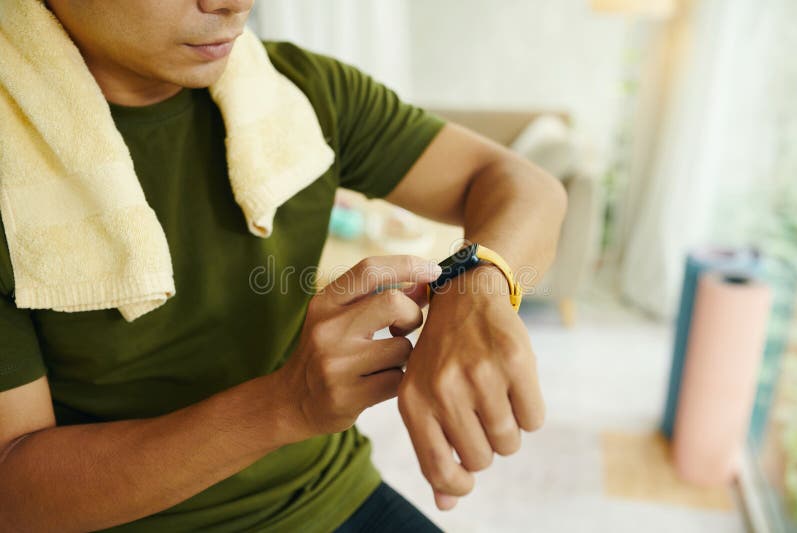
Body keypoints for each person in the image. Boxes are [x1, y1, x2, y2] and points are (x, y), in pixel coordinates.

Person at [0, 0, 567, 531]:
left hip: (324, 494)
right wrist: (285, 406)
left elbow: (522, 184)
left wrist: (474, 285)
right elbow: (12, 493)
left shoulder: (304, 92)